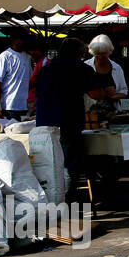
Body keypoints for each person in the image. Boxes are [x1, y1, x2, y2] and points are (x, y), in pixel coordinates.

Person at [35, 38, 101, 197]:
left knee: (47, 162)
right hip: (69, 121)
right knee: (69, 161)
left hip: (44, 123)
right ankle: (67, 196)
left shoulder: (46, 69)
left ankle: (51, 196)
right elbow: (95, 93)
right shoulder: (82, 68)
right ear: (80, 53)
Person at [0, 33, 33, 119]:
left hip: (25, 107)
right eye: (19, 39)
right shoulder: (4, 56)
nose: (21, 42)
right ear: (13, 40)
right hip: (8, 107)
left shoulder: (27, 57)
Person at [85, 34, 129, 107]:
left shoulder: (117, 68)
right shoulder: (85, 66)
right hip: (90, 112)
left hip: (113, 111)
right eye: (97, 54)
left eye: (103, 54)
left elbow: (124, 92)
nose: (100, 57)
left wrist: (110, 98)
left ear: (109, 52)